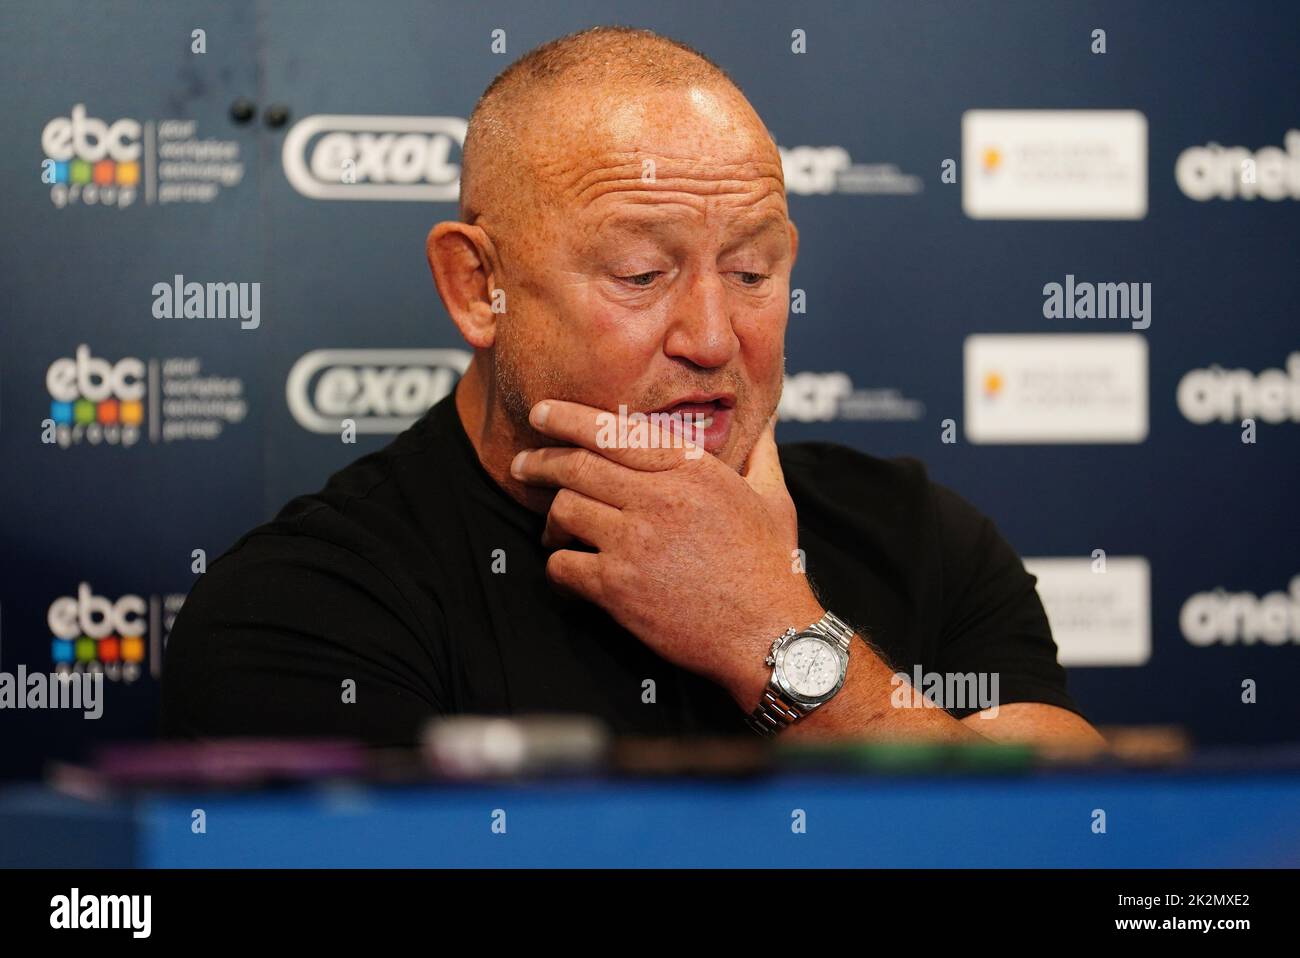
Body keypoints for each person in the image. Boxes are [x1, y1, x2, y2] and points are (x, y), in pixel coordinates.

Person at [160, 26, 1105, 751]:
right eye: (642, 276)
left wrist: (778, 633)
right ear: (475, 287)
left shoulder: (920, 537)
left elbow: (1094, 854)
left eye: (751, 272)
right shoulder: (307, 605)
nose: (710, 338)